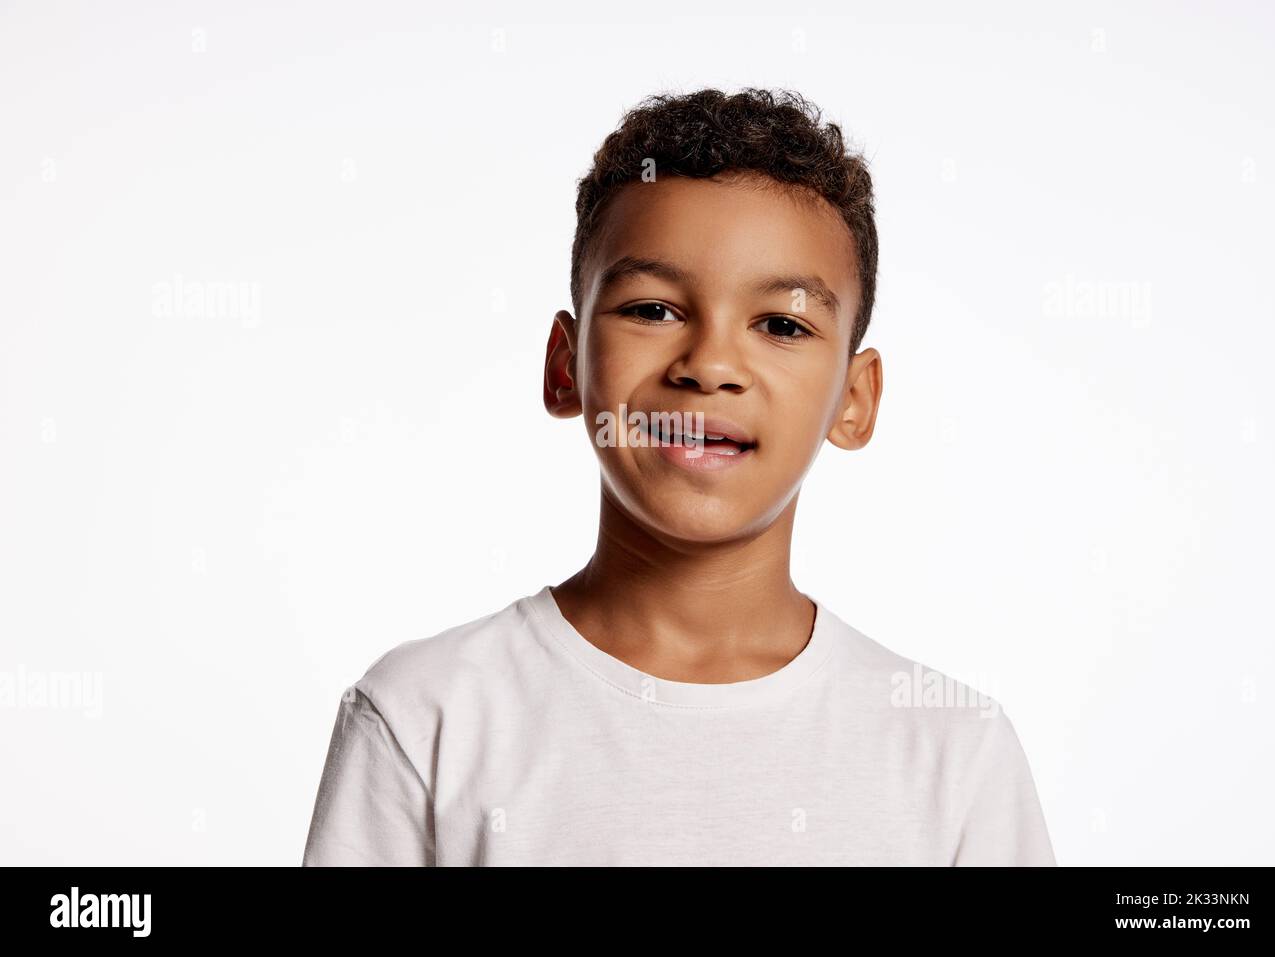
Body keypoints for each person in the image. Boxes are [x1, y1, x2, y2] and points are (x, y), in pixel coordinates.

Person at [302, 87, 1056, 866]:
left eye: (782, 324)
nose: (710, 366)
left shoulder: (955, 756)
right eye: (654, 310)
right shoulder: (425, 717)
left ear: (854, 400)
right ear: (567, 368)